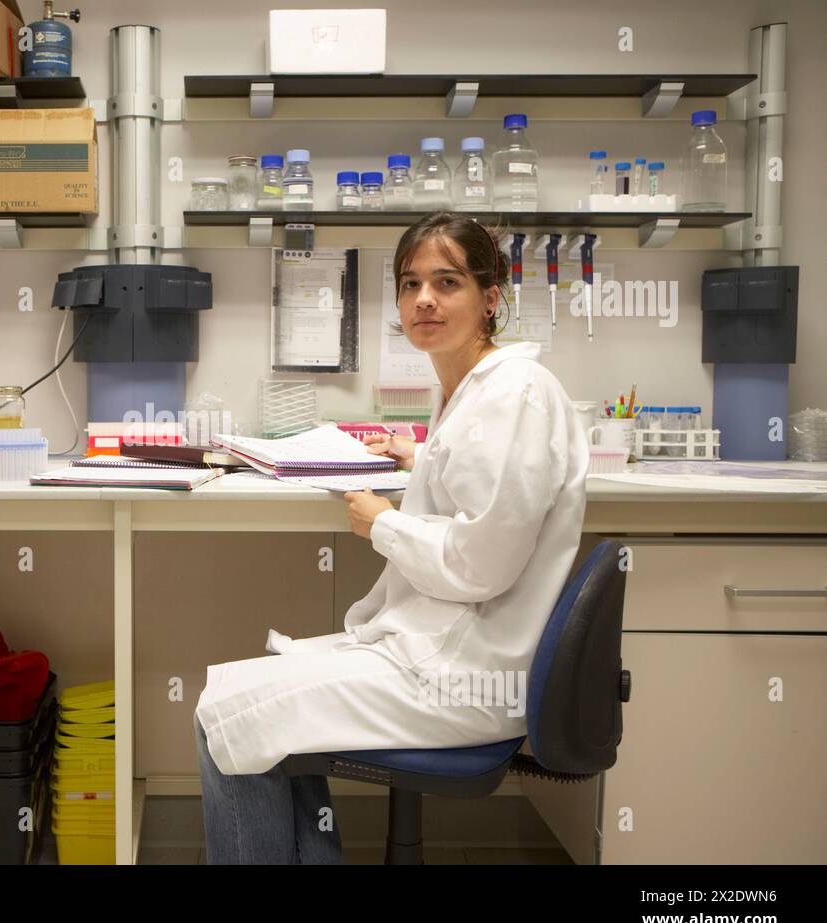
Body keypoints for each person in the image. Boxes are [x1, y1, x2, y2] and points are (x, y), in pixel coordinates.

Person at [194, 211, 589, 864]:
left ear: (490, 298)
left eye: (447, 282)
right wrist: (423, 456)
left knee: (220, 717)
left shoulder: (514, 394)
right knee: (254, 712)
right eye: (410, 284)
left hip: (465, 678)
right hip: (443, 653)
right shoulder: (477, 390)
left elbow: (480, 564)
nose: (424, 299)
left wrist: (383, 523)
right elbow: (483, 482)